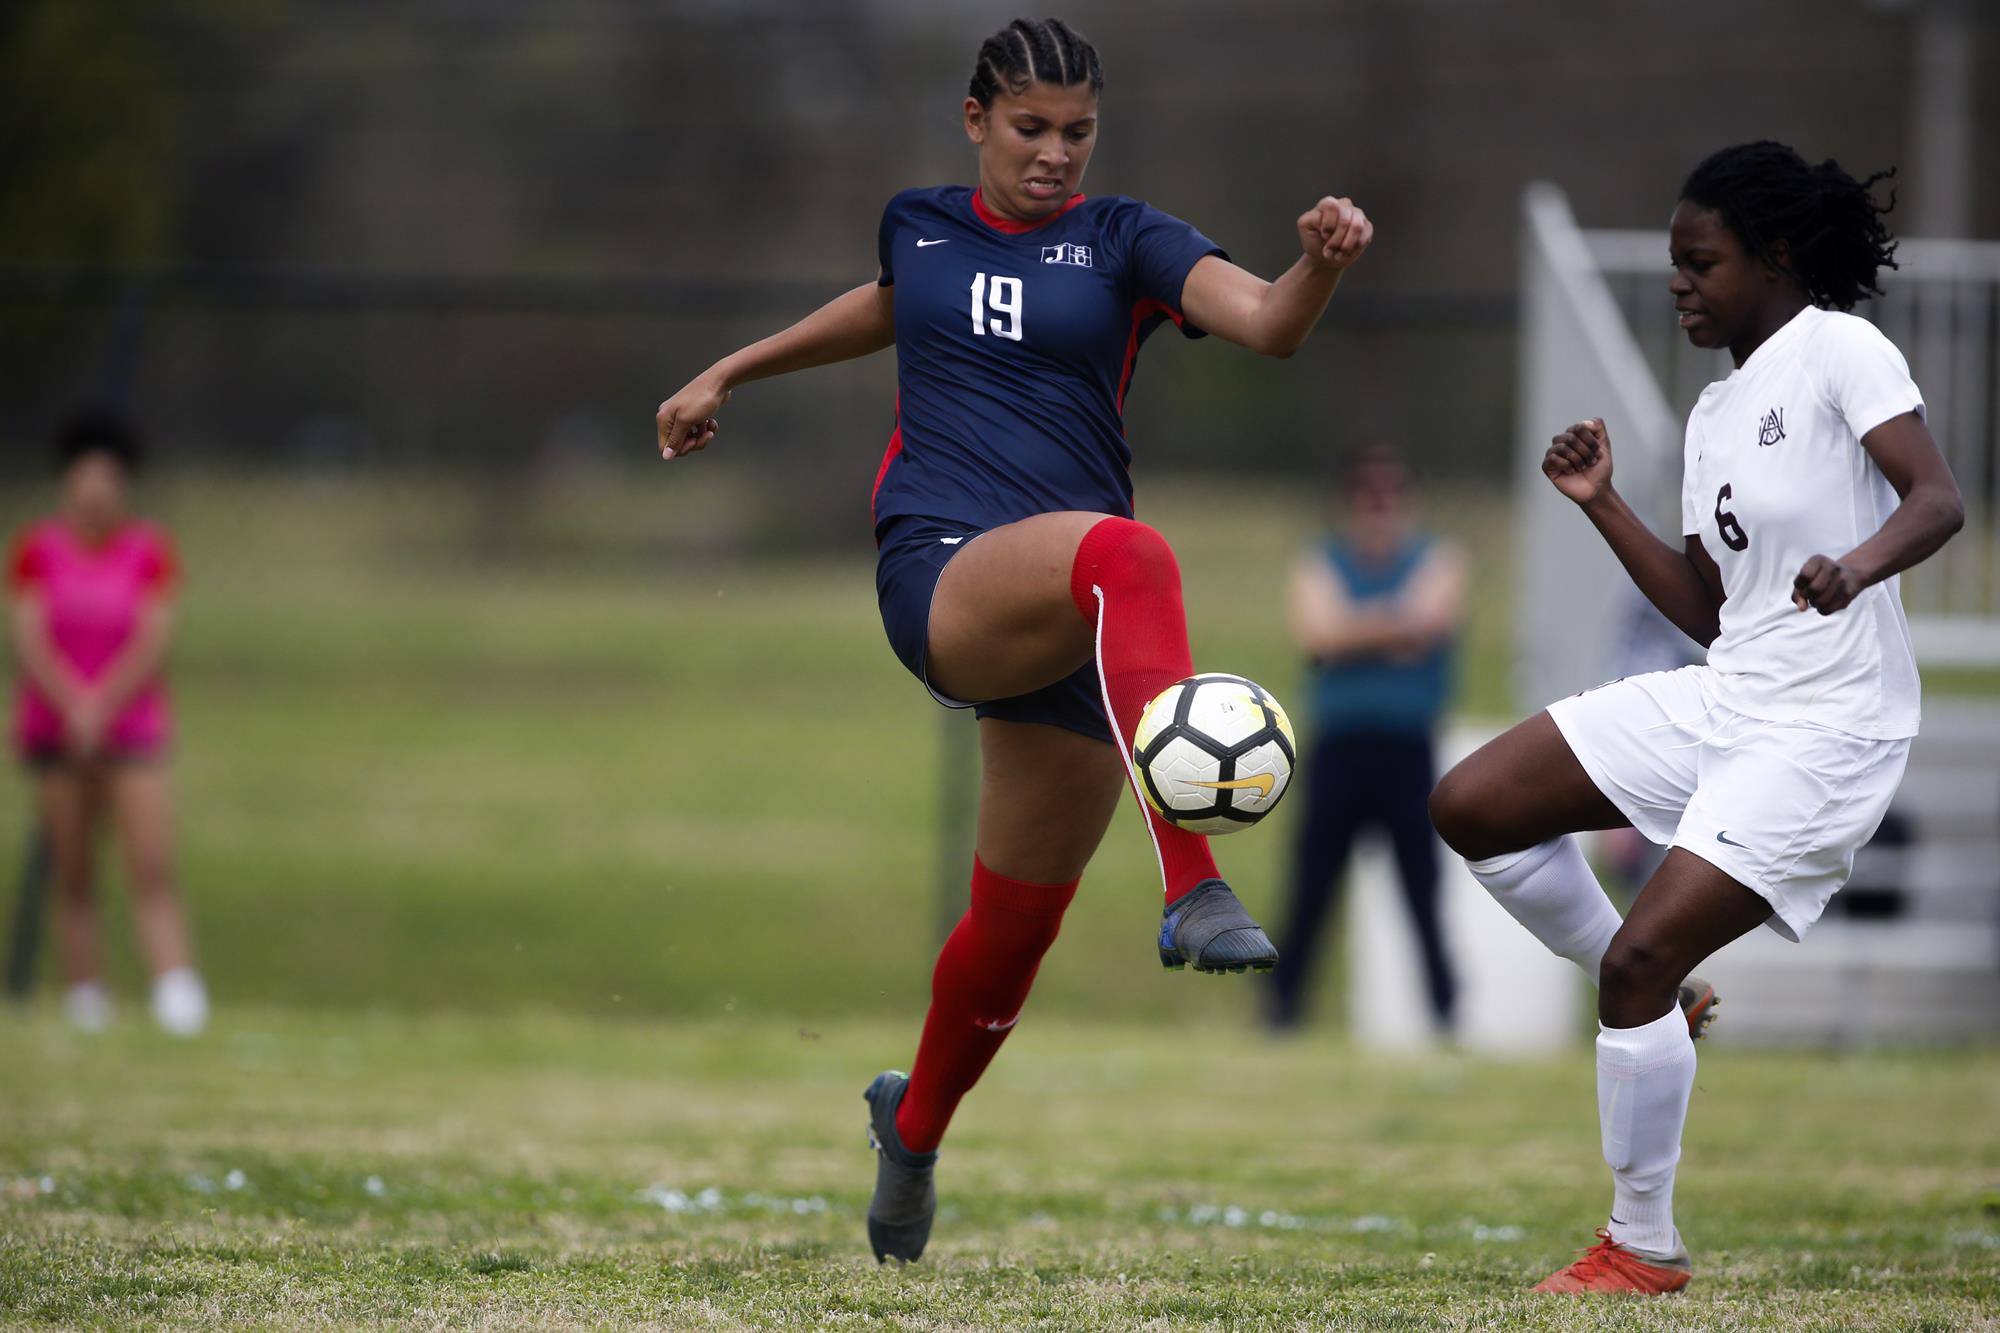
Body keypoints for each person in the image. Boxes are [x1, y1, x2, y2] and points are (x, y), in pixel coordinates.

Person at [652, 16, 1372, 1263]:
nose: (1054, 154)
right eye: (1029, 129)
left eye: (1076, 132)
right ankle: (1192, 882)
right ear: (974, 121)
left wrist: (1316, 265)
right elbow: (886, 309)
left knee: (1013, 927)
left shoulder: (1126, 239)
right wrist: (730, 370)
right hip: (941, 571)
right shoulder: (917, 220)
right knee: (1128, 549)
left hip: (1082, 624)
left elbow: (1265, 323)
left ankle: (911, 1130)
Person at [1429, 141, 1963, 1294]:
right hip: (1731, 695)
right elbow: (1710, 612)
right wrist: (1601, 504)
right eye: (1673, 263)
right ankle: (1658, 999)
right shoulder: (1716, 409)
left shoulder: (1839, 347)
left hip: (1827, 729)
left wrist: (1856, 567)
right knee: (1471, 804)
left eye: (1697, 261)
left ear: (1772, 258)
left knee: (1638, 950)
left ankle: (1641, 1244)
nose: (1679, 283)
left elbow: (1936, 499)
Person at [7, 412, 209, 1036]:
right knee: (73, 872)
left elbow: (153, 636)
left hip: (131, 729)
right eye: (84, 478)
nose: (95, 492)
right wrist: (72, 703)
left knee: (150, 863)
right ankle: (85, 998)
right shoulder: (36, 550)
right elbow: (29, 635)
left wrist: (102, 702)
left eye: (108, 480)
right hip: (56, 731)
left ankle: (176, 994)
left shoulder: (148, 550)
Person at [1266, 444, 1464, 1033]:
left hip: (1409, 752)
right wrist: (1394, 626)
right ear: (1347, 502)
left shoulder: (1439, 557)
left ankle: (1444, 1013)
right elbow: (1318, 635)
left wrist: (1353, 627)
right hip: (1339, 751)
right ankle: (1282, 1011)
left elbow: (1428, 621)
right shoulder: (1319, 560)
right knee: (1310, 890)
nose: (1379, 508)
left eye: (1391, 495)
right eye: (1367, 496)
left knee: (1423, 894)